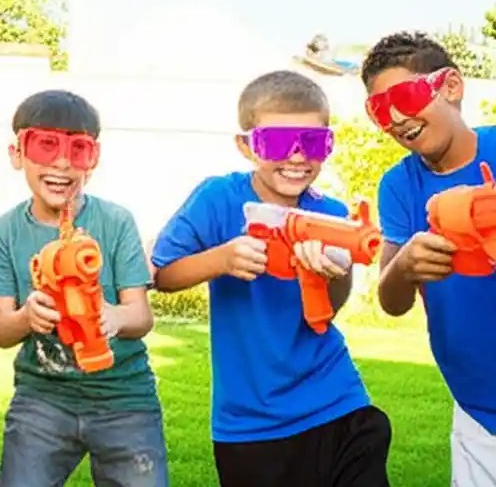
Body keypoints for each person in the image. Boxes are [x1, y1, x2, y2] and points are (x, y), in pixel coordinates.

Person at [151, 70, 391, 487]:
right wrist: (222, 260)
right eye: (278, 142)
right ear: (246, 146)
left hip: (337, 400)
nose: (298, 157)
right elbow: (162, 275)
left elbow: (328, 311)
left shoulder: (331, 214)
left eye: (314, 143)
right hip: (251, 423)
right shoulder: (218, 198)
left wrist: (329, 273)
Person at [362, 32, 496, 486]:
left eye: (405, 96)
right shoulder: (398, 186)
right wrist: (406, 265)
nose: (396, 117)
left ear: (450, 85)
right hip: (485, 406)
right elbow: (391, 301)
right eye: (378, 109)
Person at [0, 89, 167, 487]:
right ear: (17, 154)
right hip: (43, 396)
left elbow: (141, 316)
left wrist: (113, 316)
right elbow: (0, 329)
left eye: (77, 150)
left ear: (93, 160)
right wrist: (28, 317)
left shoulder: (116, 222)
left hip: (124, 397)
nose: (63, 163)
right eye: (45, 146)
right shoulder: (3, 233)